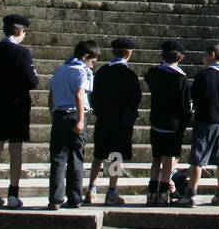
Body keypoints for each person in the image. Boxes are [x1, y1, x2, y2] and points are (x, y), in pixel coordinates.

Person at [0, 13, 39, 208]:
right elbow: (32, 81)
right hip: (18, 104)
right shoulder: (23, 53)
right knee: (16, 148)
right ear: (21, 32)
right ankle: (13, 193)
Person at [179, 43, 219, 207]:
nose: (203, 59)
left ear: (212, 55)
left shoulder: (203, 76)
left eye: (205, 55)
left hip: (205, 121)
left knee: (197, 159)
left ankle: (191, 193)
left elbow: (194, 97)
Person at [87, 37, 142, 206]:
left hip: (103, 118)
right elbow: (135, 98)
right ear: (128, 53)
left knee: (99, 154)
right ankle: (111, 190)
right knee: (116, 156)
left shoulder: (103, 71)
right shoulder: (129, 74)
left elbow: (93, 94)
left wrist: (99, 109)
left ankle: (91, 188)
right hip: (121, 120)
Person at [47, 41, 98, 209]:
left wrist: (53, 113)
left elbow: (51, 95)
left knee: (57, 158)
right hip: (75, 114)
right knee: (76, 157)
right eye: (92, 60)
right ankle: (75, 197)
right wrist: (80, 120)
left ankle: (55, 199)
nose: (92, 64)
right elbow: (79, 95)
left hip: (59, 115)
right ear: (85, 57)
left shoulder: (60, 70)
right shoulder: (83, 71)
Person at [144, 40, 191, 206]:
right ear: (181, 57)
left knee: (156, 159)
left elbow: (148, 76)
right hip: (173, 125)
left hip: (157, 121)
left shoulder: (154, 74)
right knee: (169, 159)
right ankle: (164, 193)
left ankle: (151, 193)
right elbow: (186, 106)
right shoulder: (181, 79)